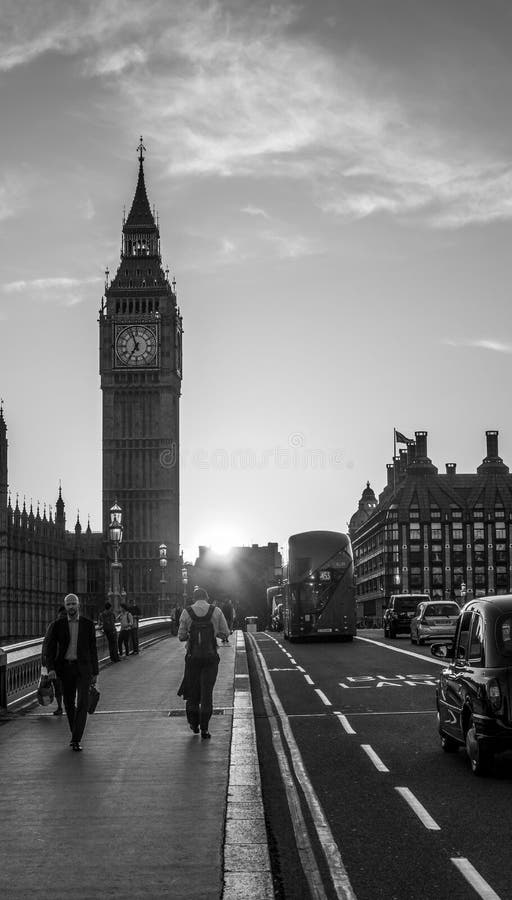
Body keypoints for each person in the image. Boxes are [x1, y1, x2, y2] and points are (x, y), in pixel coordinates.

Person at [45, 593, 99, 752]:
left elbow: (93, 649)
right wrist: (51, 668)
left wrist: (95, 671)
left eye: (73, 604)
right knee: (69, 703)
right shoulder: (58, 625)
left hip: (84, 668)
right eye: (68, 604)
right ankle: (75, 733)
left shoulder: (88, 625)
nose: (71, 607)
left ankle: (76, 739)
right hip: (65, 668)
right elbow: (50, 648)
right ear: (65, 606)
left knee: (82, 703)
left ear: (78, 605)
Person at [178, 586, 229, 739]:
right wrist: (214, 634)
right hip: (210, 658)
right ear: (206, 597)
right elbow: (225, 632)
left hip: (193, 658)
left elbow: (181, 636)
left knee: (193, 692)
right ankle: (205, 729)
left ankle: (194, 723)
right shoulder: (216, 611)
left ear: (194, 598)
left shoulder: (187, 612)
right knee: (207, 694)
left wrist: (192, 636)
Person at [41, 605, 67, 715]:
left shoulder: (71, 625)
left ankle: (64, 706)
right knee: (58, 686)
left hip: (66, 661)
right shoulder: (54, 626)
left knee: (64, 686)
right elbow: (46, 642)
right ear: (59, 614)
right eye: (63, 614)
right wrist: (44, 657)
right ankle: (61, 706)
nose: (64, 616)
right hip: (57, 662)